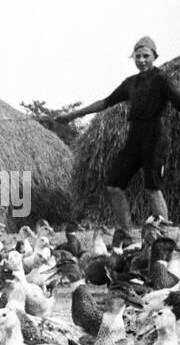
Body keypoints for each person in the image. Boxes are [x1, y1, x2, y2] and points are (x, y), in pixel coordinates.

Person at [57, 36, 180, 229]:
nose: (141, 60)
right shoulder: (130, 83)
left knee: (152, 188)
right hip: (134, 138)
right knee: (114, 186)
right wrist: (73, 115)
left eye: (145, 56)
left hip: (155, 137)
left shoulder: (162, 79)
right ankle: (125, 231)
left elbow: (178, 100)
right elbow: (105, 102)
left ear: (154, 56)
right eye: (137, 56)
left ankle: (163, 235)